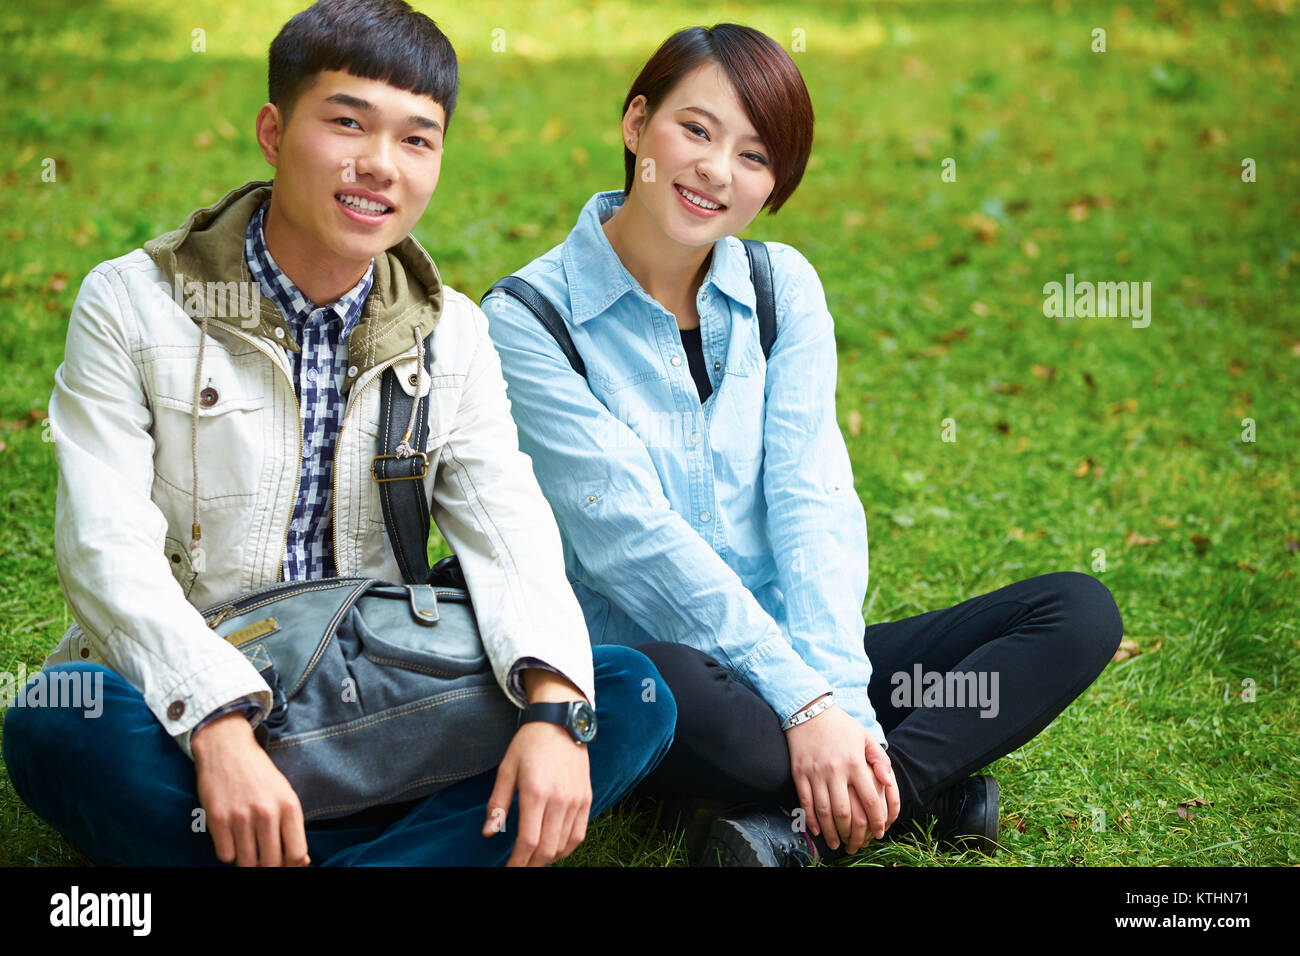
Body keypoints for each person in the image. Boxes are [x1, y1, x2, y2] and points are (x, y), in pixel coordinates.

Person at [0, 0, 675, 868]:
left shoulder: (451, 333)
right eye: (348, 123)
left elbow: (510, 536)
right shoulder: (133, 303)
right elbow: (104, 547)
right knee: (60, 716)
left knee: (622, 694)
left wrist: (549, 709)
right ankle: (397, 846)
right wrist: (217, 721)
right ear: (274, 132)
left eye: (416, 139)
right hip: (184, 698)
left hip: (377, 694)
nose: (379, 166)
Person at [480, 23, 1124, 867]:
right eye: (697, 130)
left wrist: (838, 707)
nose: (717, 171)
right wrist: (802, 707)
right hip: (663, 673)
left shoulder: (783, 286)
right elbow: (633, 544)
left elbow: (810, 498)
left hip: (800, 658)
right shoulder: (528, 320)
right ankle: (913, 789)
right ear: (637, 124)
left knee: (1076, 614)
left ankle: (817, 816)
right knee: (665, 681)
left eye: (755, 155)